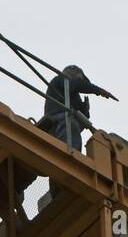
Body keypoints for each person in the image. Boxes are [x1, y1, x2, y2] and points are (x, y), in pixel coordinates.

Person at [40, 64, 117, 196]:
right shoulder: (61, 79)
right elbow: (77, 85)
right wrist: (98, 90)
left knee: (69, 134)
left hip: (63, 121)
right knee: (70, 131)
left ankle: (58, 190)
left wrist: (85, 109)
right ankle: (72, 164)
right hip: (59, 118)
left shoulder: (70, 91)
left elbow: (82, 115)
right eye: (80, 77)